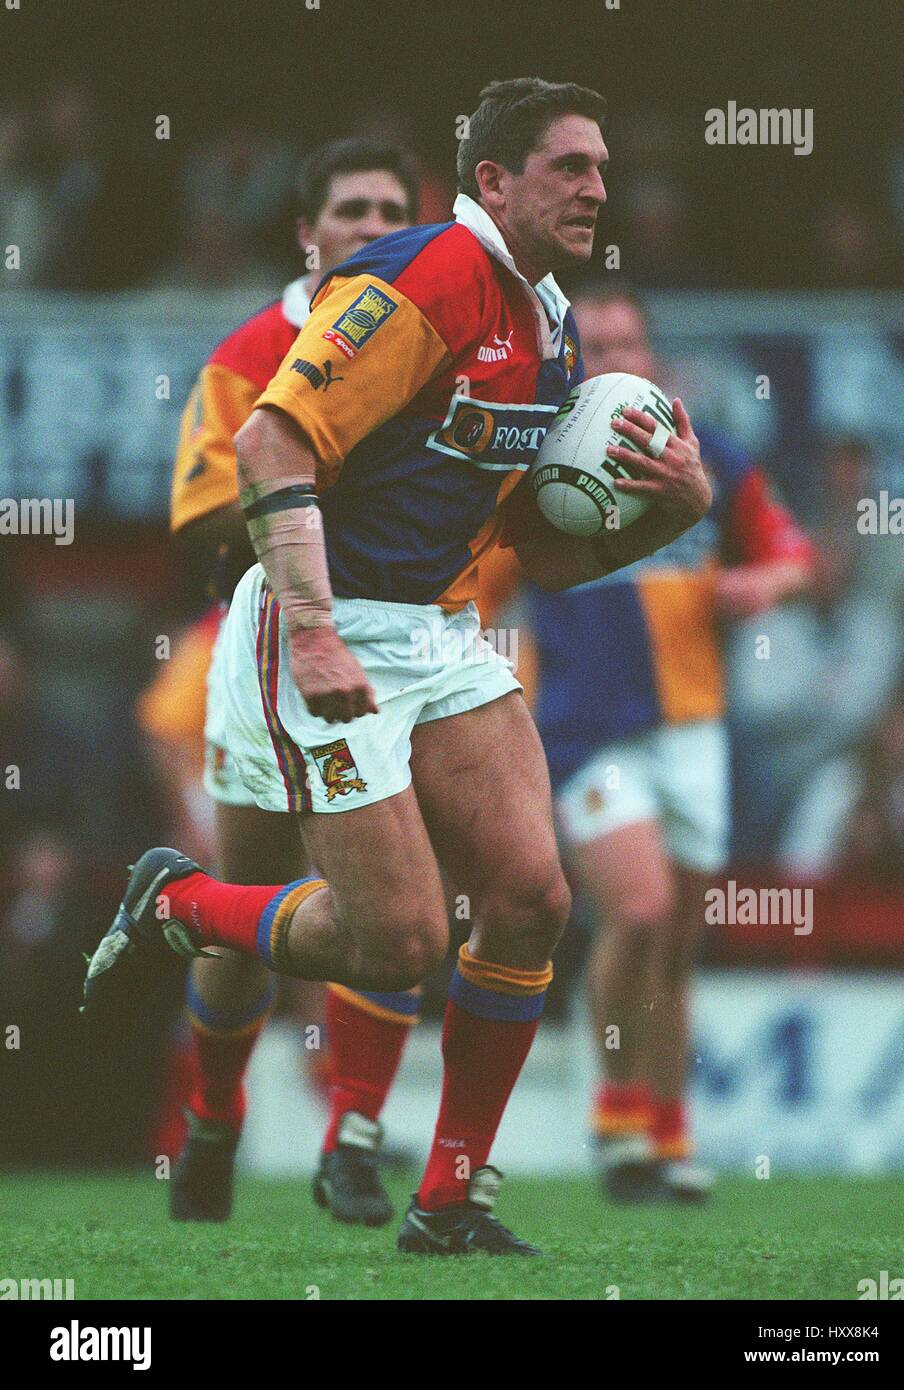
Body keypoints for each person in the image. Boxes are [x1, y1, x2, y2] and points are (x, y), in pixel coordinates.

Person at [84, 78, 712, 1256]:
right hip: (323, 618)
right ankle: (177, 900)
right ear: (492, 181)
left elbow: (537, 546)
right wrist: (314, 626)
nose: (596, 186)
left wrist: (666, 517)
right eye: (568, 166)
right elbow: (271, 438)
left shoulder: (552, 322)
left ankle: (449, 1196)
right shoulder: (424, 279)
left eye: (601, 165)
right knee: (399, 944)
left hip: (436, 628)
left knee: (532, 897)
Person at [162, 137, 421, 1226]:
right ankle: (211, 1113)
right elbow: (195, 512)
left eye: (392, 210)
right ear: (305, 232)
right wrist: (301, 476)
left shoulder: (435, 343)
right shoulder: (250, 352)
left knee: (402, 896)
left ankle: (353, 1136)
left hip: (404, 646)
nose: (371, 226)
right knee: (247, 906)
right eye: (350, 208)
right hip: (266, 642)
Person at [521, 281, 814, 1201]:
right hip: (585, 731)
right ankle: (614, 1117)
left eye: (626, 343)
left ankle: (666, 1130)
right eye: (593, 345)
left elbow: (790, 554)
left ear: (651, 357)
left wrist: (764, 587)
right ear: (568, 361)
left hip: (693, 731)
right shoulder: (535, 464)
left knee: (678, 945)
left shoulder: (706, 456)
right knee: (638, 912)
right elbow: (473, 581)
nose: (612, 360)